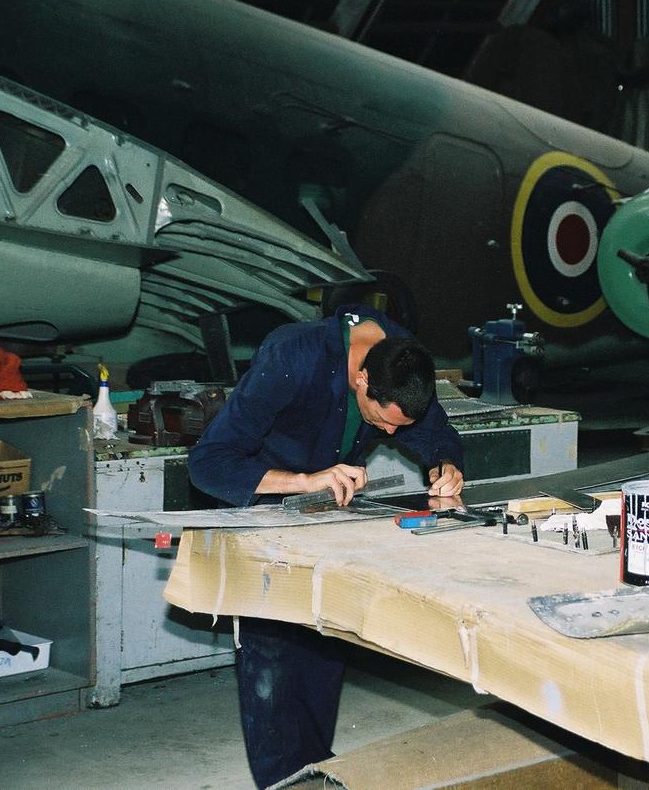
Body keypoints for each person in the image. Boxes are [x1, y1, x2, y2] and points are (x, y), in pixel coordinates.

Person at [189, 302, 464, 788]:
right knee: (272, 650)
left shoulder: (400, 360)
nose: (391, 435)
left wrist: (444, 463)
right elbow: (209, 463)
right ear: (361, 380)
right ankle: (282, 781)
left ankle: (315, 767)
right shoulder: (291, 355)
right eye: (383, 423)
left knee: (324, 636)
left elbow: (434, 429)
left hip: (326, 516)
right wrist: (302, 481)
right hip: (263, 502)